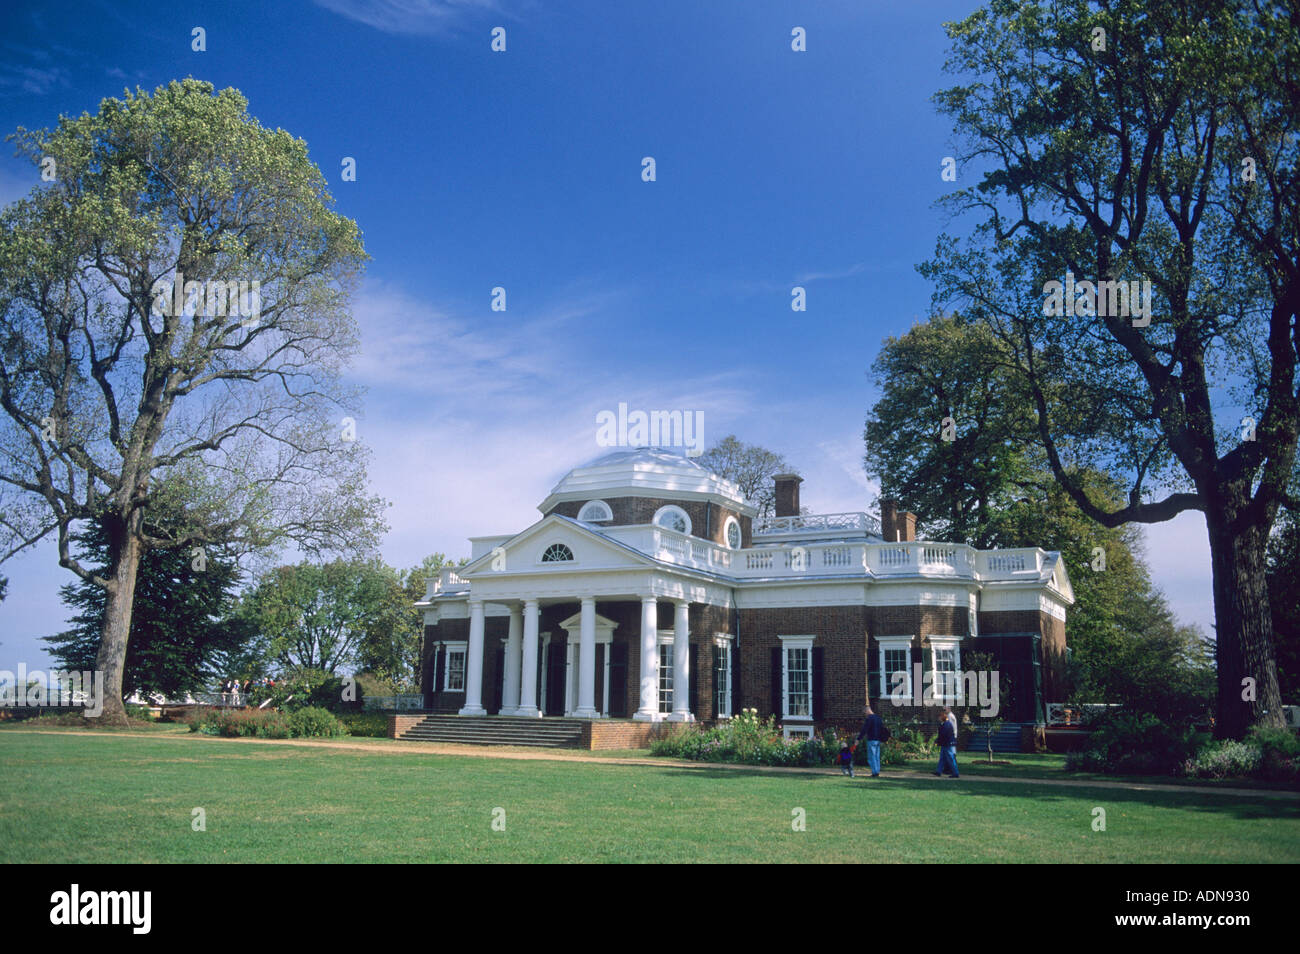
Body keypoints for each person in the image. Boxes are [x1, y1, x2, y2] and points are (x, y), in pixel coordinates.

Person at [855, 704, 886, 778]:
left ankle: (874, 773)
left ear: (867, 710)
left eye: (865, 712)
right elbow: (882, 730)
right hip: (878, 740)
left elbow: (864, 730)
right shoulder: (878, 718)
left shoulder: (869, 719)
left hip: (871, 740)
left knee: (871, 757)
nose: (865, 714)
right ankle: (877, 771)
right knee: (876, 757)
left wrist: (858, 739)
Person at [935, 707, 960, 778]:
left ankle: (955, 773)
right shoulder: (944, 724)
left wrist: (939, 742)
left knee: (951, 758)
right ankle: (938, 771)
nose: (938, 718)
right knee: (942, 758)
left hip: (948, 744)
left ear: (943, 717)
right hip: (946, 744)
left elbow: (944, 735)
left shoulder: (947, 724)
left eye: (939, 717)